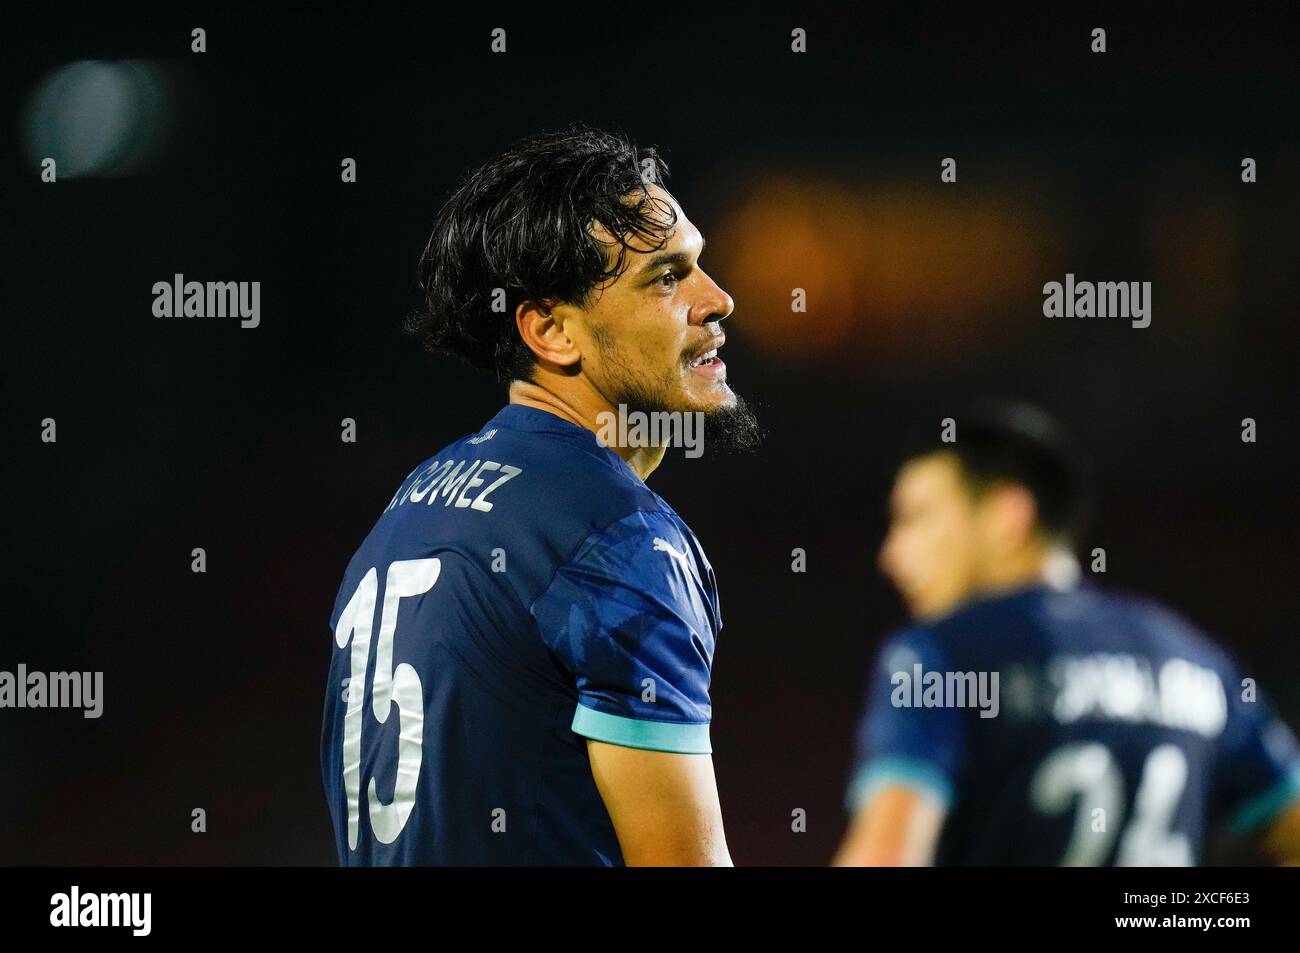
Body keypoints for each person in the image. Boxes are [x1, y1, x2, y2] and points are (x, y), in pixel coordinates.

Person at [321, 125, 759, 865]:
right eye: (665, 277)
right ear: (552, 330)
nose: (719, 299)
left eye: (701, 266)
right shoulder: (620, 540)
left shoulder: (412, 503)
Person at [834, 401, 1300, 865]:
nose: (892, 554)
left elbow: (885, 858)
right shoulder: (1197, 660)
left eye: (916, 517)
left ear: (1006, 514)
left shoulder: (938, 654)